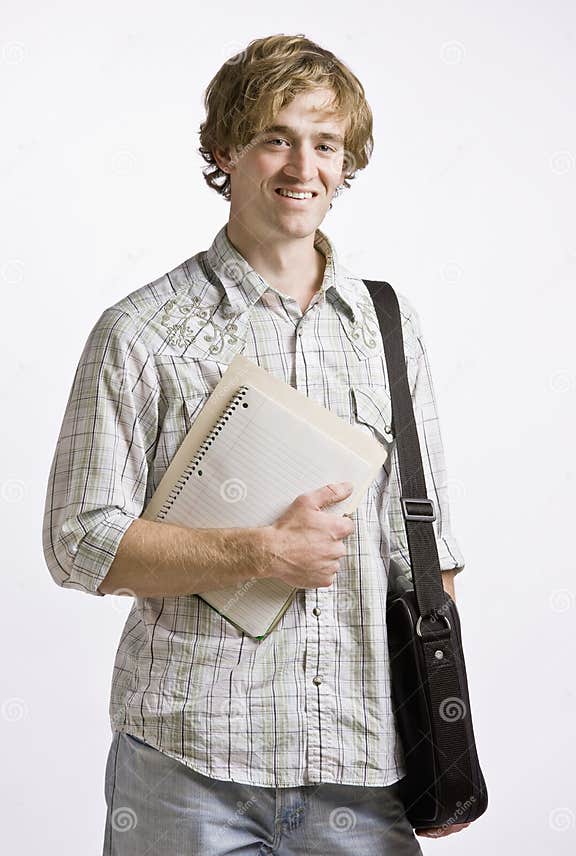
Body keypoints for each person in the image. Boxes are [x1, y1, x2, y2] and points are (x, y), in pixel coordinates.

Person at [42, 33, 471, 855]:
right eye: (277, 137)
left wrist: (444, 739)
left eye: (325, 144)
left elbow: (428, 551)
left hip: (364, 765)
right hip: (187, 768)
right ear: (225, 152)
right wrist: (261, 550)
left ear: (347, 165)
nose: (301, 167)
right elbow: (76, 542)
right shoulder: (142, 332)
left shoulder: (389, 325)